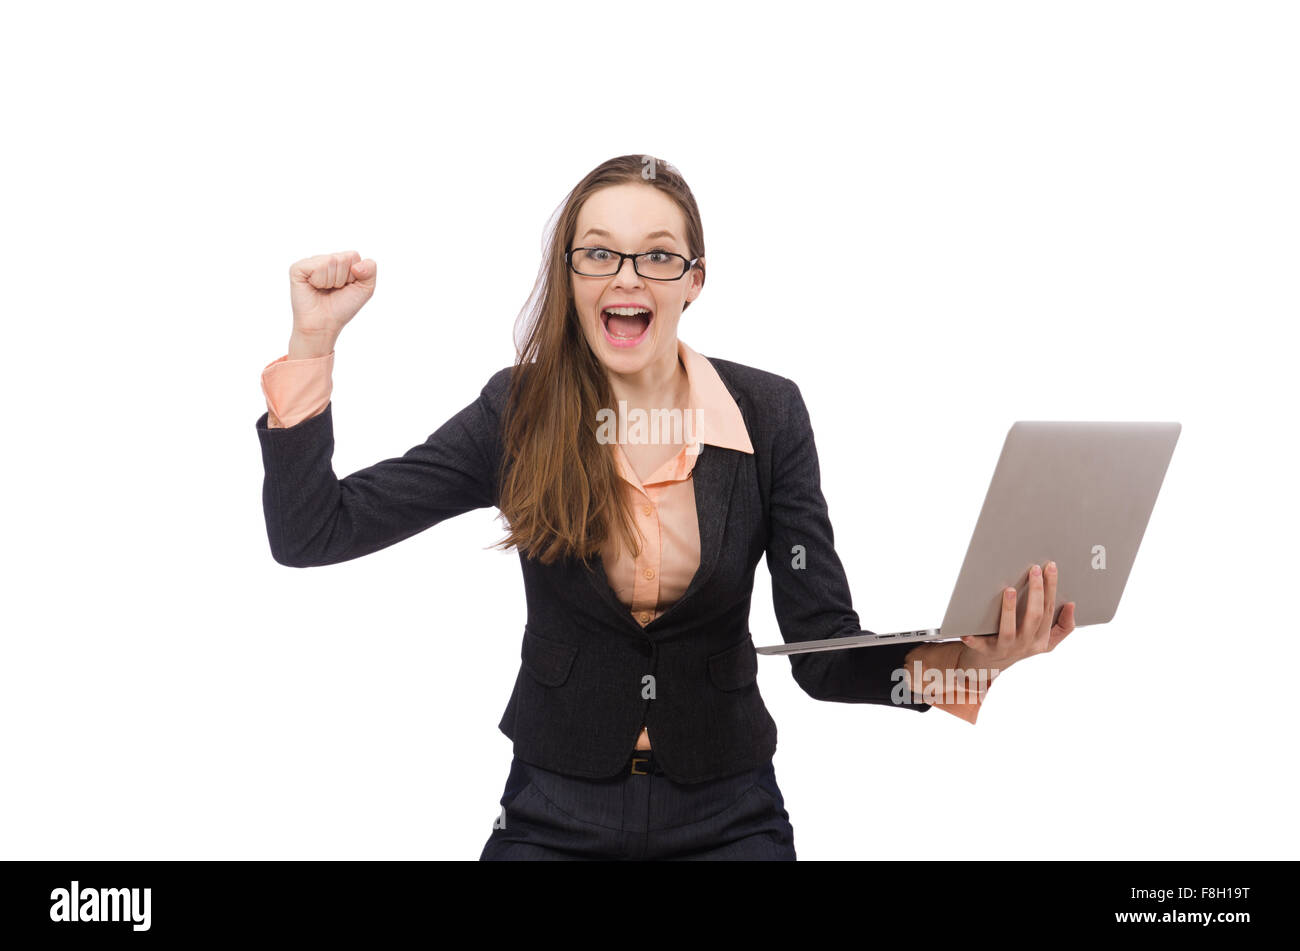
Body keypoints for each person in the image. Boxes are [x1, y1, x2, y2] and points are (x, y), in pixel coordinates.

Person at [254, 154, 1077, 860]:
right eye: (600, 254)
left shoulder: (769, 415)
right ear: (570, 275)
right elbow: (312, 531)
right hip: (552, 807)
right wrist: (313, 346)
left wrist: (978, 661)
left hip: (728, 812)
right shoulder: (519, 413)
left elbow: (824, 657)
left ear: (693, 281)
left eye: (656, 257)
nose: (626, 276)